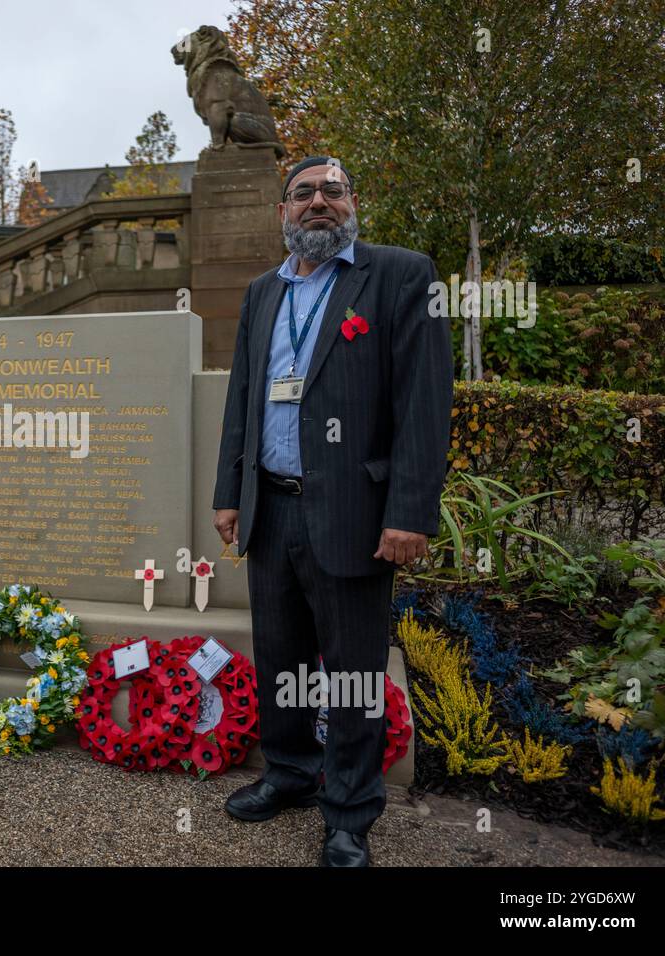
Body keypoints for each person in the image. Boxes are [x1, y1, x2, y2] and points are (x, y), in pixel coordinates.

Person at [212, 156, 452, 866]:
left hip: (354, 511)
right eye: (303, 194)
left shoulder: (403, 275)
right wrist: (231, 491)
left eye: (332, 191)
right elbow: (243, 399)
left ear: (352, 202)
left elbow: (424, 403)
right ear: (282, 213)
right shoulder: (263, 292)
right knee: (280, 656)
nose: (318, 202)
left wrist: (409, 512)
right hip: (273, 509)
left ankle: (348, 810)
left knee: (349, 668)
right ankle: (288, 772)